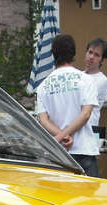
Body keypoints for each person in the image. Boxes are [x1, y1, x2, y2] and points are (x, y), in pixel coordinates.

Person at [35, 34, 101, 177]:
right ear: (74, 53)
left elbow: (43, 120)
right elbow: (85, 115)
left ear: (53, 54)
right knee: (89, 199)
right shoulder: (87, 80)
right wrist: (65, 135)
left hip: (58, 154)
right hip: (84, 150)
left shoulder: (43, 86)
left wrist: (60, 137)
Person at [83, 38, 107, 135]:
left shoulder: (102, 80)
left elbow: (82, 98)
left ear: (103, 60)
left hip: (89, 130)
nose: (91, 57)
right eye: (90, 52)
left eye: (97, 55)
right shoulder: (78, 75)